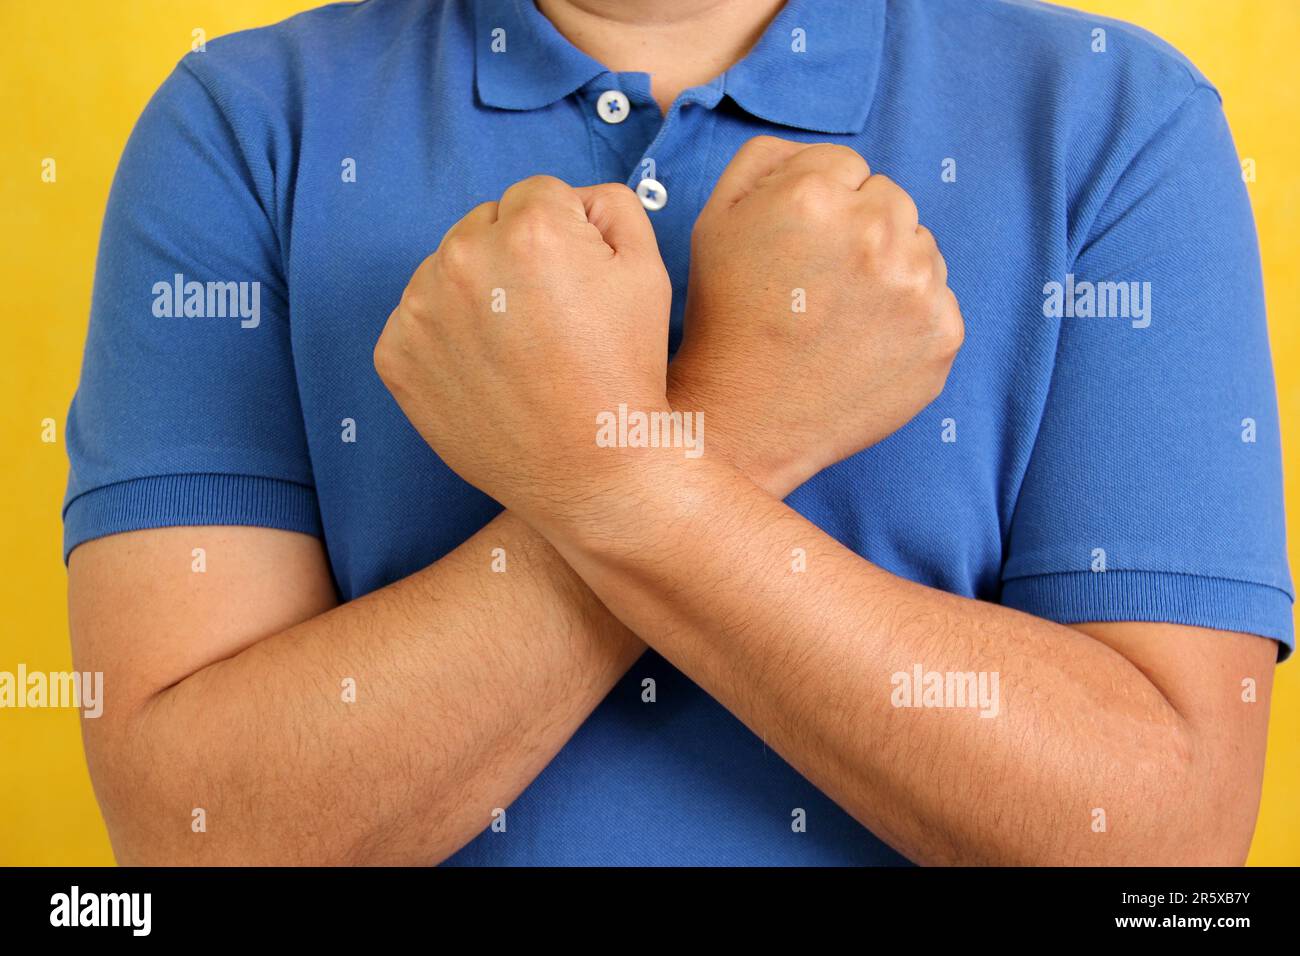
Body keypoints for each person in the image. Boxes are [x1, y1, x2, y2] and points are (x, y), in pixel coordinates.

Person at [64, 0, 1291, 866]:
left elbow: (1164, 838)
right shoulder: (237, 128)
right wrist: (741, 421)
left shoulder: (1114, 119)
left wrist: (613, 474)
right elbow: (191, 833)